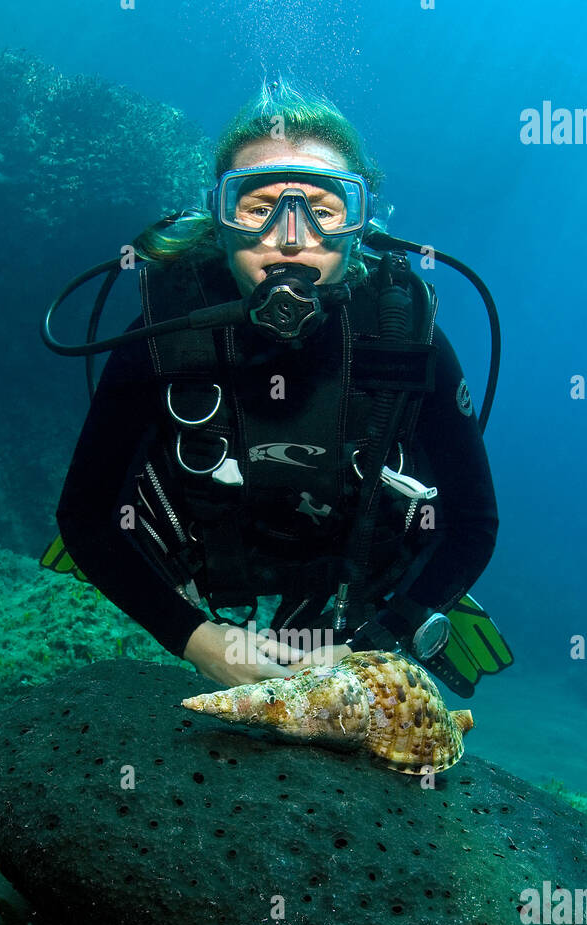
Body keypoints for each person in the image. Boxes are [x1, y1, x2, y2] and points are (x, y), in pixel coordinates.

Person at [54, 80, 499, 689]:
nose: (291, 237)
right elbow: (85, 517)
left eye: (325, 208)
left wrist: (384, 637)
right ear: (218, 218)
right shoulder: (166, 337)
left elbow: (472, 525)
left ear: (360, 225)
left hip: (357, 585)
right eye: (258, 207)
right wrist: (196, 639)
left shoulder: (405, 343)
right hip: (206, 565)